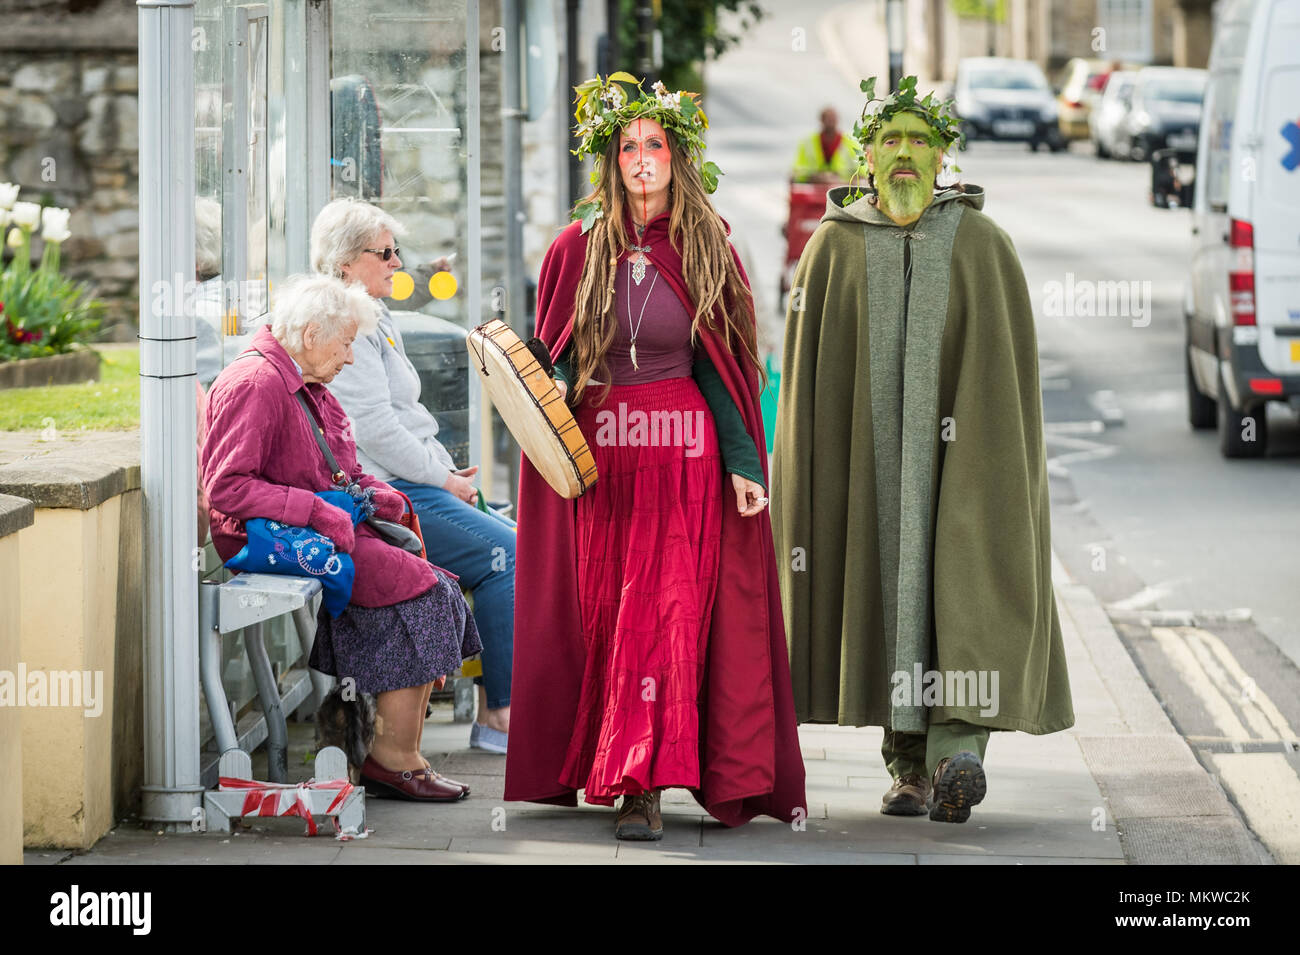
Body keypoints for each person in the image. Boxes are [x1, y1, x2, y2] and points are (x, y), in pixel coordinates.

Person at [504, 74, 807, 841]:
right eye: (629, 146)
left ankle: (644, 783)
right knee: (610, 612)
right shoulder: (575, 248)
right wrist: (541, 374)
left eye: (656, 145)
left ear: (678, 156)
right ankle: (619, 769)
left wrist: (743, 459)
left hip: (685, 456)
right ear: (610, 159)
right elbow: (559, 358)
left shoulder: (708, 243)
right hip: (602, 461)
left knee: (667, 612)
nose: (643, 158)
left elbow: (724, 362)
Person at [773, 76, 1074, 824]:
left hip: (960, 469)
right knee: (881, 595)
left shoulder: (982, 245)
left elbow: (1004, 387)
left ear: (943, 154)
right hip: (869, 470)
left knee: (960, 586)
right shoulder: (833, 250)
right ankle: (910, 768)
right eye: (890, 140)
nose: (904, 154)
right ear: (865, 156)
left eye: (919, 139)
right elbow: (811, 384)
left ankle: (954, 751)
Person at [201, 273, 481, 801]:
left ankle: (398, 752)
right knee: (421, 592)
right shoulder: (255, 383)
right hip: (264, 538)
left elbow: (339, 468)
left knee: (437, 588)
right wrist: (316, 511)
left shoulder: (303, 381)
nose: (350, 358)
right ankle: (389, 760)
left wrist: (376, 493)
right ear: (311, 334)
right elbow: (227, 488)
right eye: (345, 342)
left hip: (315, 527)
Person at [312, 198, 517, 755]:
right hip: (390, 494)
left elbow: (396, 421)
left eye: (397, 251)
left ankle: (514, 701)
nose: (397, 262)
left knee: (517, 532)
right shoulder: (345, 321)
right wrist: (444, 480)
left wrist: (445, 472)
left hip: (414, 480)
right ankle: (500, 715)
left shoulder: (373, 315)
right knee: (510, 557)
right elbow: (374, 429)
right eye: (385, 252)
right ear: (346, 261)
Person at [791, 106, 859, 183]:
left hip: (842, 190)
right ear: (821, 120)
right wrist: (814, 177)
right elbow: (795, 174)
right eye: (828, 118)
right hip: (813, 191)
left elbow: (863, 174)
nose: (830, 121)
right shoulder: (807, 143)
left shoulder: (851, 143)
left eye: (833, 119)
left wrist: (840, 181)